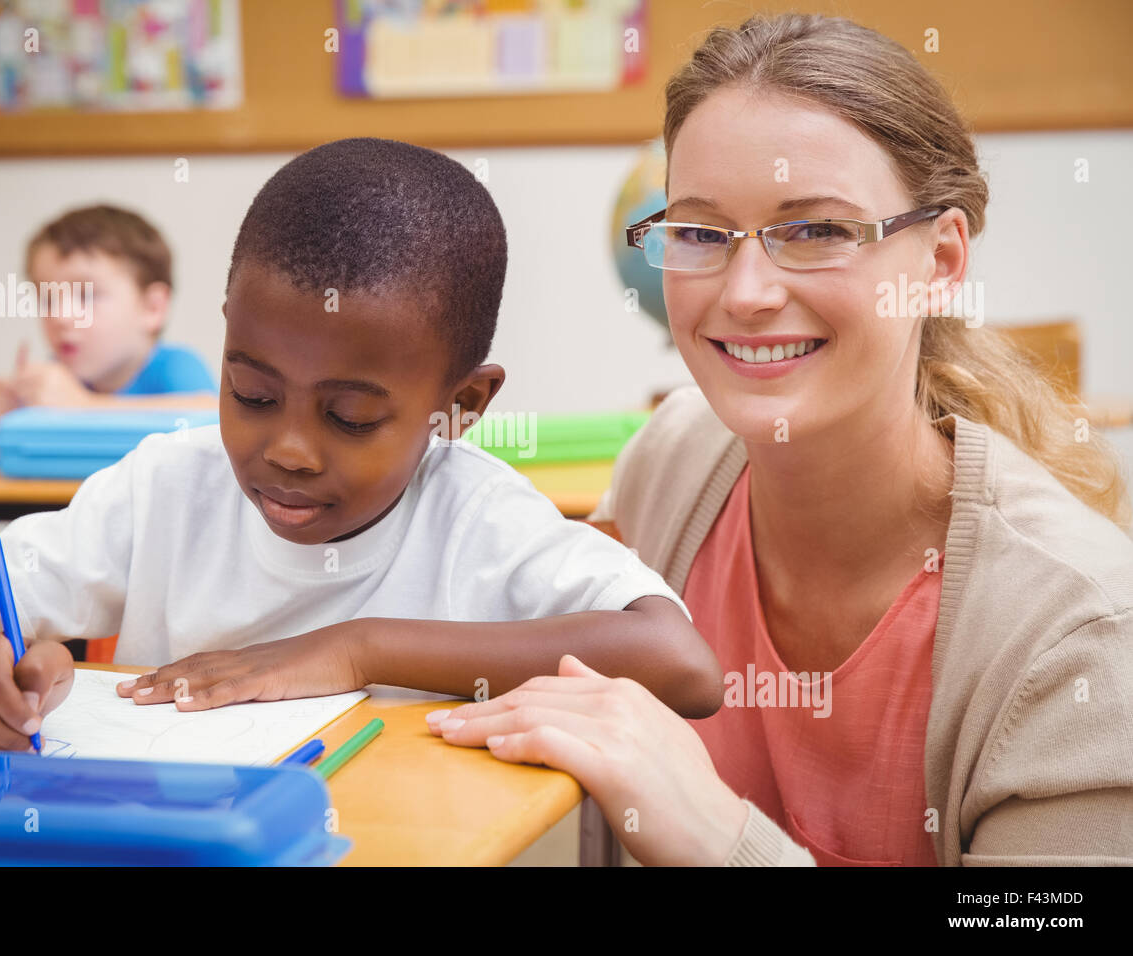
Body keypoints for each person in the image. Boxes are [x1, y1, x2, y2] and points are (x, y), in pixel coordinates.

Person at [429, 13, 1133, 866]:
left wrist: (722, 841)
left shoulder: (1083, 639)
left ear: (942, 263)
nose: (749, 291)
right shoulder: (671, 460)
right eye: (699, 232)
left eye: (817, 231)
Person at [0, 138, 723, 753]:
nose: (287, 448)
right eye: (252, 395)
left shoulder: (477, 519)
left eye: (351, 417)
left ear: (459, 405)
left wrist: (353, 648)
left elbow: (681, 665)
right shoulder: (168, 489)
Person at [0, 204, 216, 440]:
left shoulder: (174, 366)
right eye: (48, 299)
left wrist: (83, 406)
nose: (60, 317)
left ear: (152, 308)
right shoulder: (53, 378)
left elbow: (212, 416)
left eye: (85, 295)